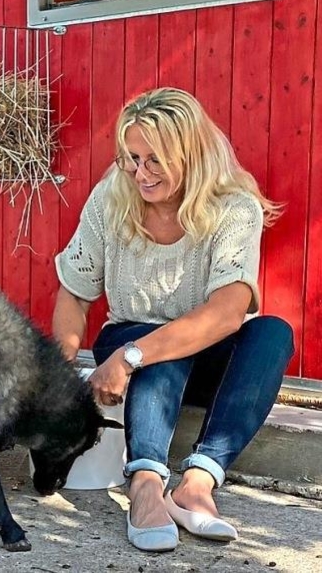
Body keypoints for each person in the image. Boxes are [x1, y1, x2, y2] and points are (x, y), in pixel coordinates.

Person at [51, 87, 294, 552]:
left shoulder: (234, 208)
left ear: (190, 154)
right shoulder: (112, 199)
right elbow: (75, 293)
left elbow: (226, 314)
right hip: (132, 340)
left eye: (155, 160)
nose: (139, 173)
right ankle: (145, 482)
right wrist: (58, 375)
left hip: (178, 354)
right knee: (153, 342)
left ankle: (197, 483)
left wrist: (129, 358)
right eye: (131, 157)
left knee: (271, 333)